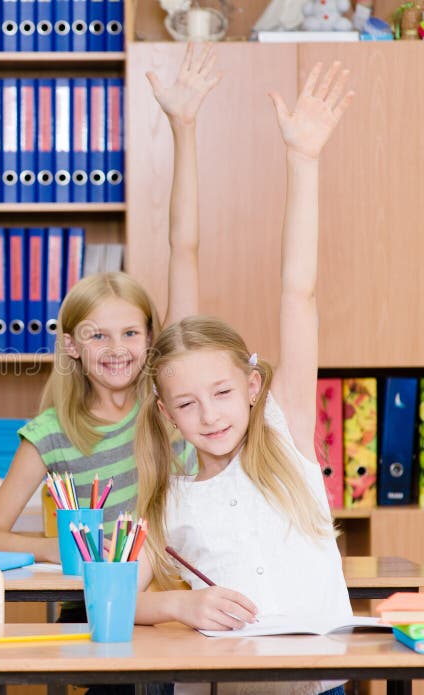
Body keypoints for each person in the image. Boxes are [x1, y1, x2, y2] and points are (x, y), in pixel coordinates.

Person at [133, 62, 354, 695]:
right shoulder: (168, 498)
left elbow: (300, 291)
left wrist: (303, 161)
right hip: (229, 686)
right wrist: (181, 606)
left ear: (254, 386)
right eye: (188, 404)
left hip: (321, 684)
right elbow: (113, 606)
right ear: (167, 414)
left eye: (224, 393)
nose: (209, 415)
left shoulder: (285, 434)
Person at [0, 43, 221, 564]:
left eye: (130, 333)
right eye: (96, 335)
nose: (116, 348)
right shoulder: (51, 432)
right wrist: (69, 549)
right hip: (103, 597)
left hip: (185, 590)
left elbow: (185, 248)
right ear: (72, 346)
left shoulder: (170, 402)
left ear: (152, 339)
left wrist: (184, 128)